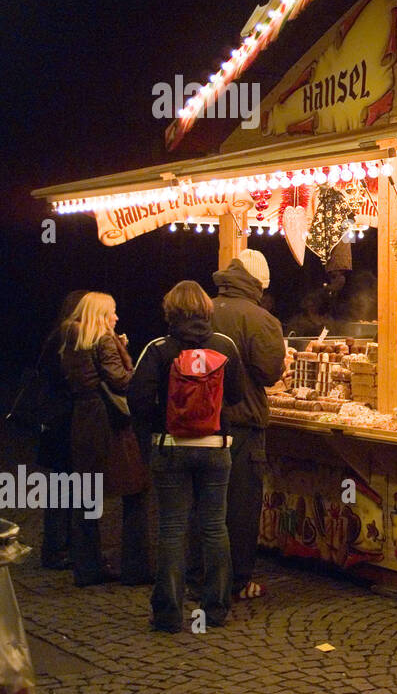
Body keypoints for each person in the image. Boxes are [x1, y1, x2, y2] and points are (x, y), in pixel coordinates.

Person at [129, 281, 245, 632]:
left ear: (170, 311)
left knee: (172, 529)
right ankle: (216, 609)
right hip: (215, 449)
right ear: (206, 310)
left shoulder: (158, 348)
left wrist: (152, 435)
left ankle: (167, 613)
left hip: (171, 448)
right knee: (214, 527)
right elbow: (237, 395)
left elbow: (137, 397)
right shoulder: (224, 346)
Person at [59, 292, 149, 587]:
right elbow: (120, 380)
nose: (116, 317)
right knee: (135, 490)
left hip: (83, 421)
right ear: (100, 315)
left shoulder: (72, 339)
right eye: (112, 312)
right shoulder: (103, 338)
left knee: (87, 495)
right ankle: (135, 567)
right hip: (110, 423)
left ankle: (87, 567)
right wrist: (127, 356)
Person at [210, 248, 285, 601]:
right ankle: (237, 582)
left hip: (203, 423)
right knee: (241, 506)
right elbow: (269, 372)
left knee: (208, 505)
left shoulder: (205, 308)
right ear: (259, 283)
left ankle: (201, 576)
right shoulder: (260, 319)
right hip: (243, 424)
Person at [33, 290, 86, 568]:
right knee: (63, 487)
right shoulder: (68, 337)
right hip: (62, 422)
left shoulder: (57, 334)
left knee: (62, 486)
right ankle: (57, 548)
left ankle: (59, 546)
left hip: (55, 420)